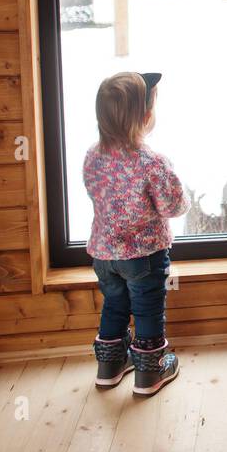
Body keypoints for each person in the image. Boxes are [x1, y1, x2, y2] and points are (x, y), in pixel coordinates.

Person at [85, 71, 189, 396]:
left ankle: (109, 367)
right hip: (144, 256)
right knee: (147, 311)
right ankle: (149, 373)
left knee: (114, 305)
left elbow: (96, 192)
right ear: (145, 117)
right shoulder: (151, 163)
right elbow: (173, 206)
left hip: (103, 255)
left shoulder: (92, 155)